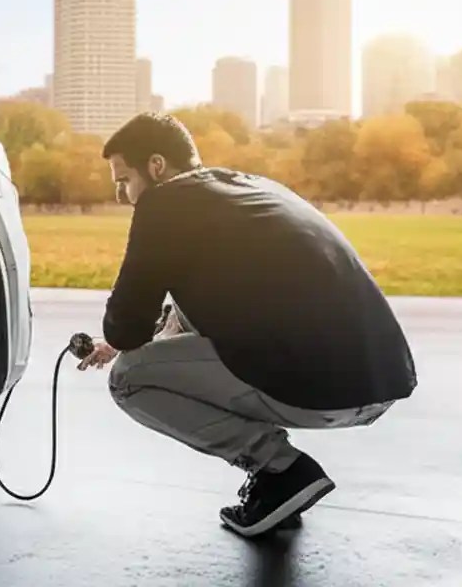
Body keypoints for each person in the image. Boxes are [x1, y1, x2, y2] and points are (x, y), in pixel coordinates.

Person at [77, 112, 417, 538]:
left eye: (124, 180)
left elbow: (127, 328)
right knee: (143, 356)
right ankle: (284, 487)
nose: (124, 196)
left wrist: (119, 343)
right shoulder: (251, 189)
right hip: (378, 383)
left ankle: (281, 470)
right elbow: (200, 309)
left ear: (157, 166)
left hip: (323, 390)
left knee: (128, 380)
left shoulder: (163, 204)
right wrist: (120, 341)